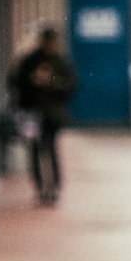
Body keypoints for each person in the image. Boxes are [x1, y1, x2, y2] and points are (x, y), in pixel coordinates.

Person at [10, 27, 76, 205]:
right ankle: (40, 187)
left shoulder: (61, 62)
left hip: (53, 114)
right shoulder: (30, 61)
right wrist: (33, 80)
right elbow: (16, 83)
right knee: (34, 149)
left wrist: (52, 82)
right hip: (32, 113)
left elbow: (71, 86)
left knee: (51, 147)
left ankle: (54, 187)